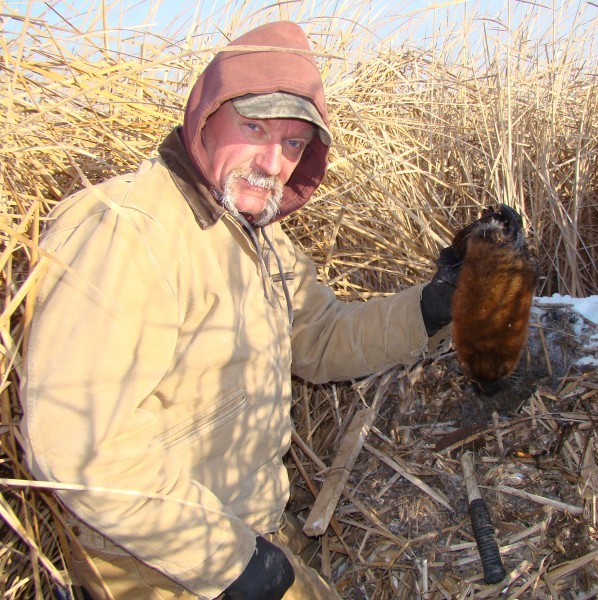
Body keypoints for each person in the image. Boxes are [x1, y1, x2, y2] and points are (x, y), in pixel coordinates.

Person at [21, 21, 462, 600]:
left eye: (293, 144)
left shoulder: (253, 232)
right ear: (205, 116)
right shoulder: (127, 232)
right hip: (156, 564)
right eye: (254, 127)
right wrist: (230, 564)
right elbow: (80, 446)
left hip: (246, 533)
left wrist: (431, 307)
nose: (272, 162)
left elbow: (321, 337)